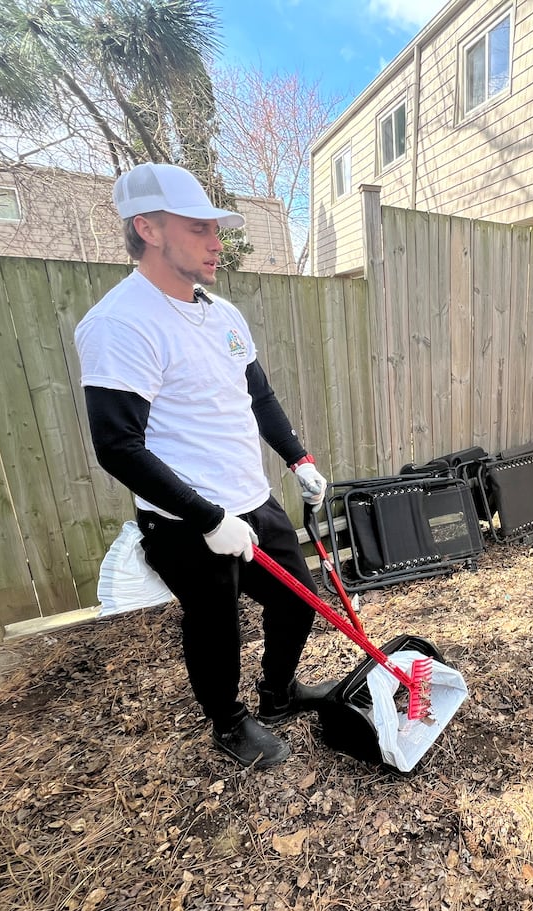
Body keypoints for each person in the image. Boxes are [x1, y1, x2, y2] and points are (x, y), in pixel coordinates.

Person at [74, 162, 334, 769]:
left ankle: (277, 696)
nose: (217, 242)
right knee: (215, 624)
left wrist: (298, 460)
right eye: (199, 229)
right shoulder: (120, 324)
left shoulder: (222, 313)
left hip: (252, 499)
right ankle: (229, 722)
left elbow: (258, 397)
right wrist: (208, 517)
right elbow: (117, 446)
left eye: (216, 228)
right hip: (185, 518)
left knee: (297, 601)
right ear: (149, 228)